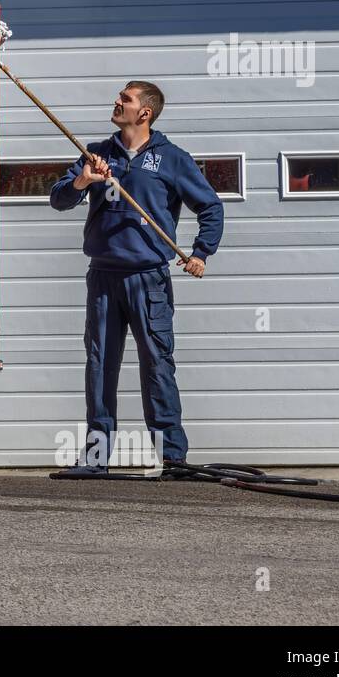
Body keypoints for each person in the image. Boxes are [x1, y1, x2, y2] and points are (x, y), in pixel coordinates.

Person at [49, 81, 224, 476]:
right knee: (99, 365)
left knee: (157, 365)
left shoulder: (173, 159)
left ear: (144, 112)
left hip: (149, 280)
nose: (116, 102)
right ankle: (95, 459)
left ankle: (172, 458)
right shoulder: (96, 154)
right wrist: (84, 181)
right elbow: (58, 198)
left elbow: (211, 207)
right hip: (103, 278)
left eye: (125, 99)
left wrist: (200, 253)